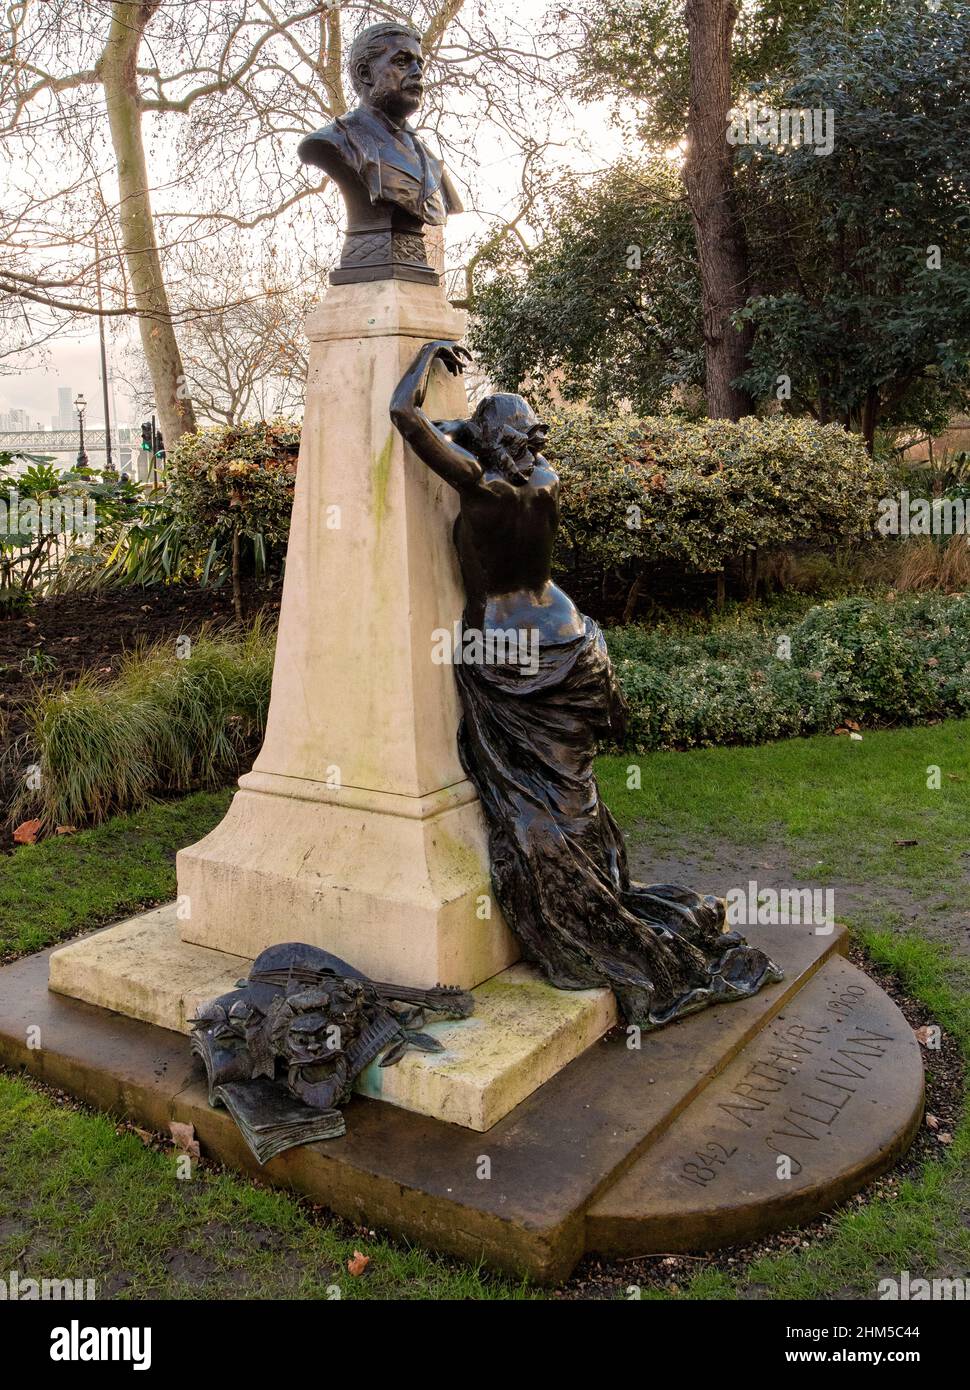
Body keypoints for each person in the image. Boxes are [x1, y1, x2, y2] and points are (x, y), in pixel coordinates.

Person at [391, 340, 783, 1028]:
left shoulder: (481, 487)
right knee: (568, 785)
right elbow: (463, 436)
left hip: (510, 655)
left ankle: (581, 911)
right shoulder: (545, 476)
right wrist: (479, 424)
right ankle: (597, 885)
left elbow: (407, 418)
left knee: (531, 798)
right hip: (570, 639)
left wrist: (426, 355)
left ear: (485, 444)